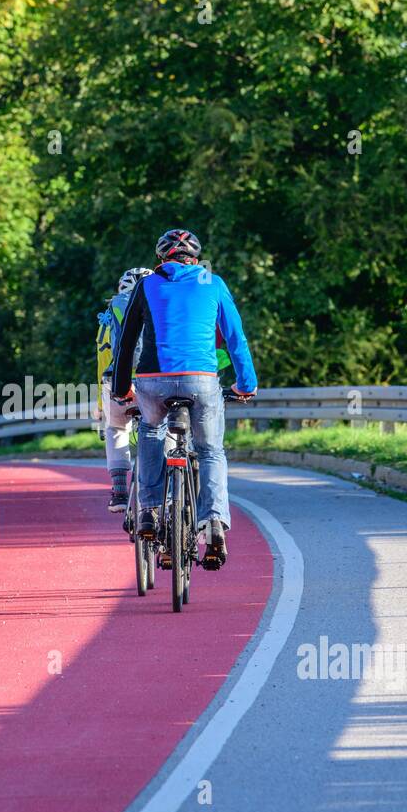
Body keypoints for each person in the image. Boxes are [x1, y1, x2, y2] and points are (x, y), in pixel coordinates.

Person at [111, 229, 257, 569]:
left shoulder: (146, 286)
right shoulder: (213, 283)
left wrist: (121, 389)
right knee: (210, 450)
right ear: (195, 258)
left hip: (152, 382)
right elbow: (236, 340)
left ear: (161, 260)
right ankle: (215, 523)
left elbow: (127, 342)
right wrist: (245, 384)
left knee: (150, 431)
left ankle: (148, 511)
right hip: (201, 381)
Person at [96, 266, 152, 511]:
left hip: (119, 382)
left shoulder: (111, 314)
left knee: (116, 426)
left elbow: (102, 360)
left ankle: (119, 489)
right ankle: (169, 486)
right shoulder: (161, 304)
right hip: (155, 380)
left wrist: (100, 407)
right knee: (162, 426)